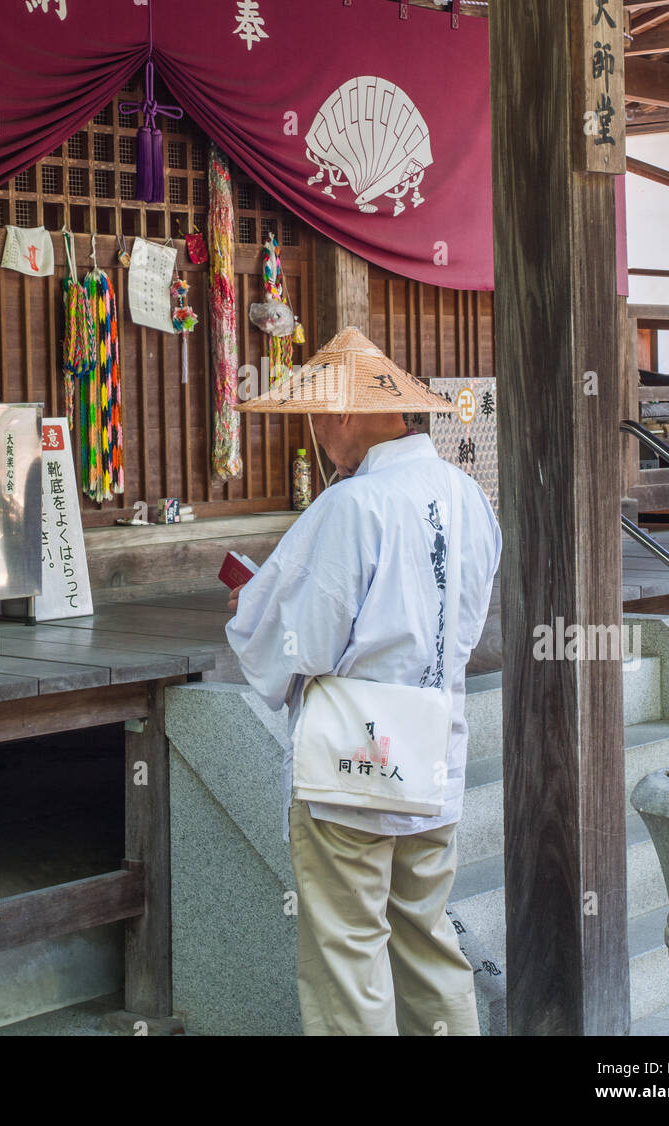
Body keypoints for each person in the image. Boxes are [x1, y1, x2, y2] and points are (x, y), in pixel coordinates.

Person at [225, 327, 501, 1037]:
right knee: (425, 935)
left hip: (353, 759)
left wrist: (255, 610)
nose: (318, 437)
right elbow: (459, 621)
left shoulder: (350, 505)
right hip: (434, 744)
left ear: (342, 414)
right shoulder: (467, 495)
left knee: (347, 952)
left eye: (316, 418)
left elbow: (304, 644)